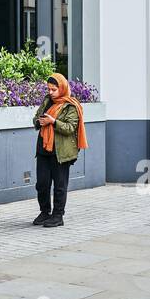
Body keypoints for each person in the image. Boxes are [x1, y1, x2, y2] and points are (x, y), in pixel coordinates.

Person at [31, 72, 88, 228]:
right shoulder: (48, 101)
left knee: (60, 185)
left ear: (62, 88)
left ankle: (57, 216)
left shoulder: (71, 105)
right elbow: (36, 117)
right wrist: (39, 122)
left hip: (61, 152)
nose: (50, 92)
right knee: (42, 184)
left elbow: (70, 128)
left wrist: (53, 121)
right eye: (48, 89)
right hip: (43, 149)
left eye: (53, 89)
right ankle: (44, 212)